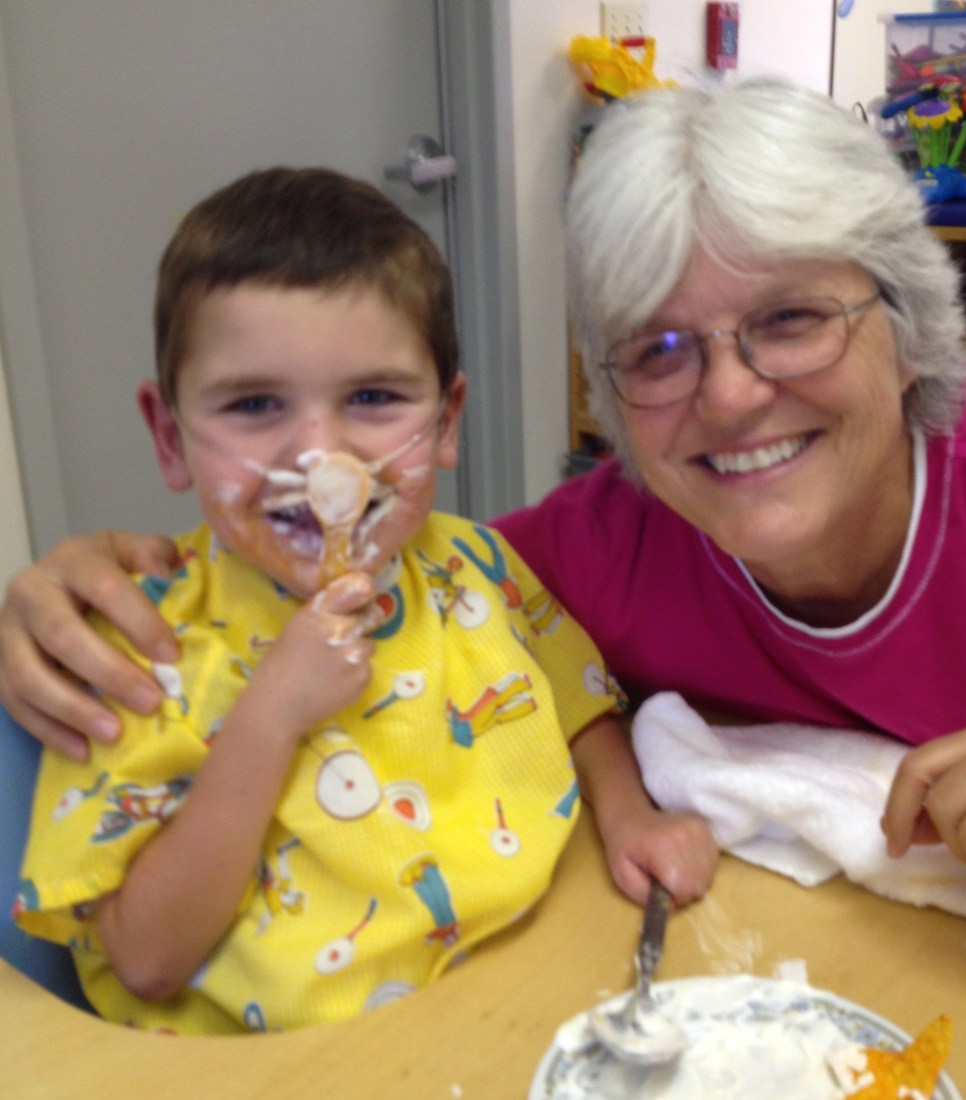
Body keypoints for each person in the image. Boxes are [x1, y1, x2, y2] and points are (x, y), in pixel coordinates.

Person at [4, 76, 966, 901]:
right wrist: (87, 574)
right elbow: (374, 553)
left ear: (906, 332)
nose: (726, 396)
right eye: (660, 349)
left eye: (791, 319)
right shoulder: (584, 550)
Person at [9, 166, 716, 1034]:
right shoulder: (134, 644)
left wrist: (631, 816)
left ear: (448, 421)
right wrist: (270, 717)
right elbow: (148, 959)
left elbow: (578, 701)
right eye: (255, 403)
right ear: (170, 436)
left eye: (374, 398)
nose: (322, 458)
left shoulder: (477, 567)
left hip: (524, 996)